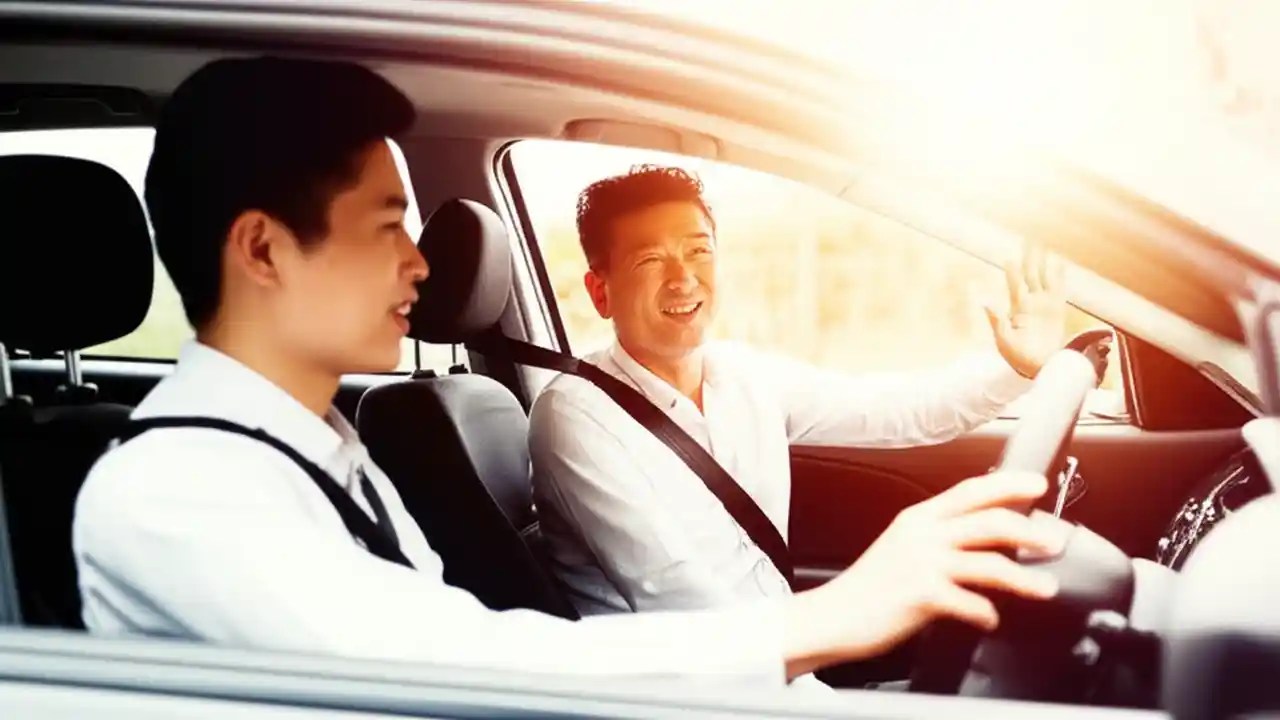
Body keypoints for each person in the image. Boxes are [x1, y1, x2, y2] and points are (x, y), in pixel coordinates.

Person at [73, 55, 1063, 687]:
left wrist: (1011, 370)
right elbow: (460, 666)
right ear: (263, 250)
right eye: (385, 228)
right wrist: (840, 615)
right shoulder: (176, 491)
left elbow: (891, 409)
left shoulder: (323, 452)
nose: (419, 264)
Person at [528, 166, 1069, 620]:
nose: (683, 279)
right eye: (650, 260)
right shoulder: (574, 415)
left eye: (698, 252)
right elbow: (674, 599)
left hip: (776, 670)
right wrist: (864, 608)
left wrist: (1016, 368)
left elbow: (901, 411)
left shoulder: (742, 375)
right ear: (600, 292)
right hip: (676, 691)